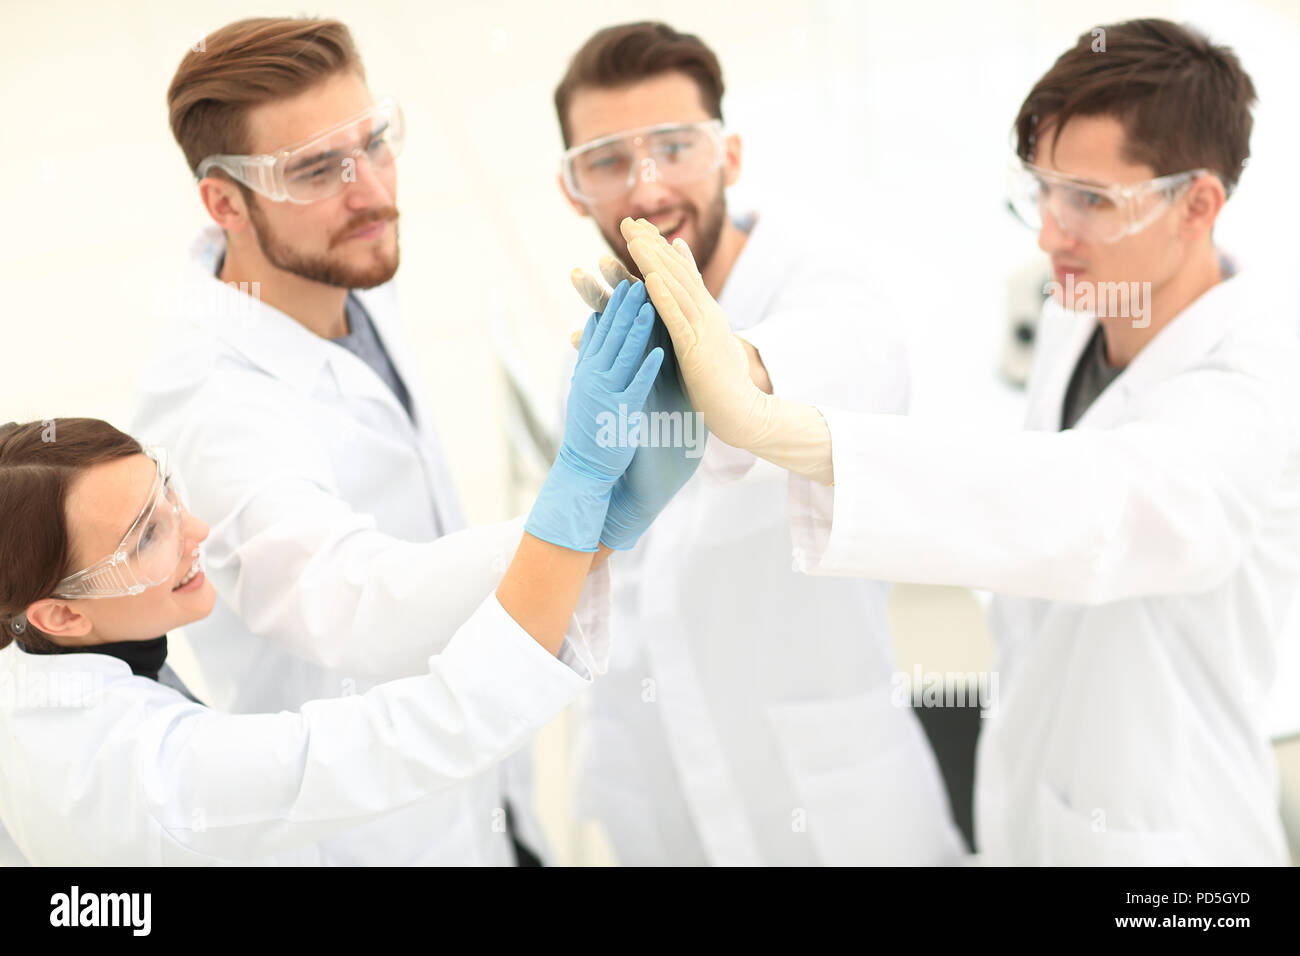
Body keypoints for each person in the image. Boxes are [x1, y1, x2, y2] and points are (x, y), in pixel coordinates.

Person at [618, 18, 1300, 865]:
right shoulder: (1081, 311)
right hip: (1037, 794)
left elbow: (1094, 507)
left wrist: (791, 433)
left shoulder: (1257, 386)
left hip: (1175, 852)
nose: (1050, 234)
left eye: (1091, 200)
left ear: (1198, 203)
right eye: (1045, 190)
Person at [0, 276, 681, 864]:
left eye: (167, 492)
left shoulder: (38, 645)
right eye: (148, 534)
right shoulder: (151, 781)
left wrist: (594, 530)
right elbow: (429, 726)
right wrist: (579, 491)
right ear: (60, 613)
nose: (195, 531)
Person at [132, 15, 592, 865]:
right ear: (224, 200)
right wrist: (584, 517)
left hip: (483, 798)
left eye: (376, 142)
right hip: (369, 837)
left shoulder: (338, 267)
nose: (372, 191)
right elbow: (355, 602)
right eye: (317, 169)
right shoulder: (213, 410)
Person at [553, 21, 963, 865]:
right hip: (667, 801)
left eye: (675, 145)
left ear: (730, 155)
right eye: (606, 159)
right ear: (573, 189)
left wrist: (730, 366)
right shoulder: (601, 345)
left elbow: (865, 357)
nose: (648, 184)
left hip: (836, 812)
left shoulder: (817, 276)